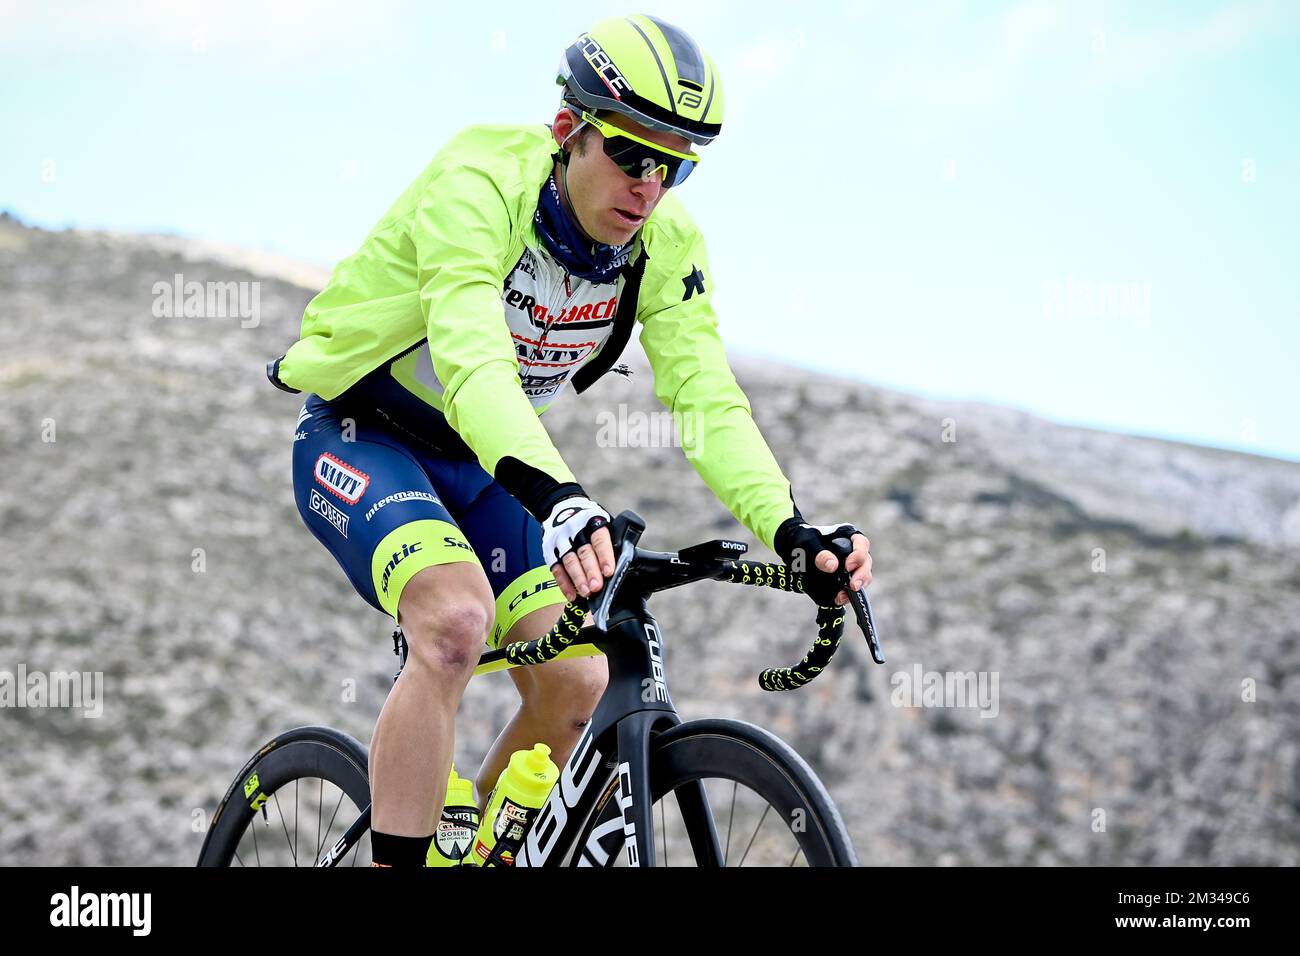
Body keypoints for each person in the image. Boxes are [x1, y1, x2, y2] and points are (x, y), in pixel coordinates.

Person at [266, 13, 873, 867]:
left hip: (484, 469)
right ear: (568, 130)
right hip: (364, 433)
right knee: (453, 625)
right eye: (631, 155)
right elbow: (475, 366)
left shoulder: (662, 245)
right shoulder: (478, 184)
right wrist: (560, 499)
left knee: (579, 682)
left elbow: (706, 398)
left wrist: (791, 529)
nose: (649, 187)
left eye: (676, 166)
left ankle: (469, 858)